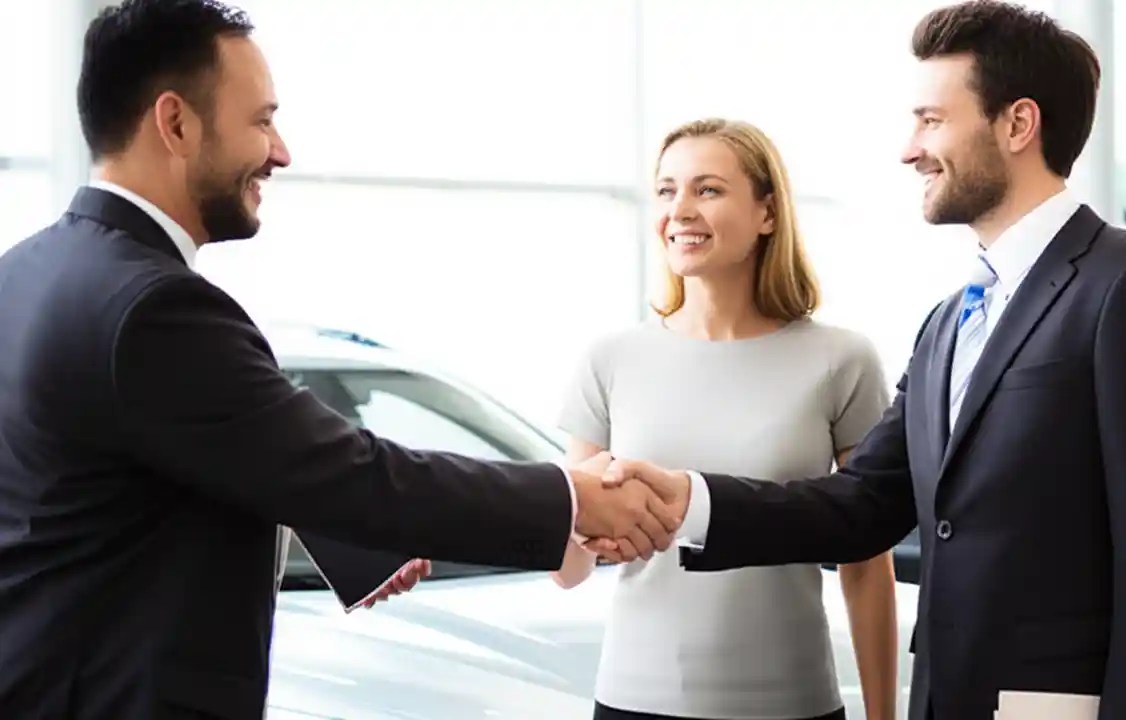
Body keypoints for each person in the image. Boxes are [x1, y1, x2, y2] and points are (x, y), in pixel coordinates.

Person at [0, 1, 675, 718]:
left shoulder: (28, 272)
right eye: (261, 121)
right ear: (175, 123)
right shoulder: (154, 307)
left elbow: (126, 473)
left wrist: (351, 544)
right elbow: (354, 474)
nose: (281, 151)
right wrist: (570, 496)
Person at [596, 3, 1126, 719]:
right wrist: (689, 500)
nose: (909, 149)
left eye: (931, 120)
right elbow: (863, 505)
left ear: (1017, 125)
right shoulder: (948, 321)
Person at [553, 118, 898, 720]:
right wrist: (575, 525)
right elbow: (570, 570)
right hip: (635, 700)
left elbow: (867, 561)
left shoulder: (841, 360)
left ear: (768, 212)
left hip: (792, 704)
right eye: (666, 191)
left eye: (707, 189)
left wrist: (882, 716)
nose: (679, 209)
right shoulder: (611, 359)